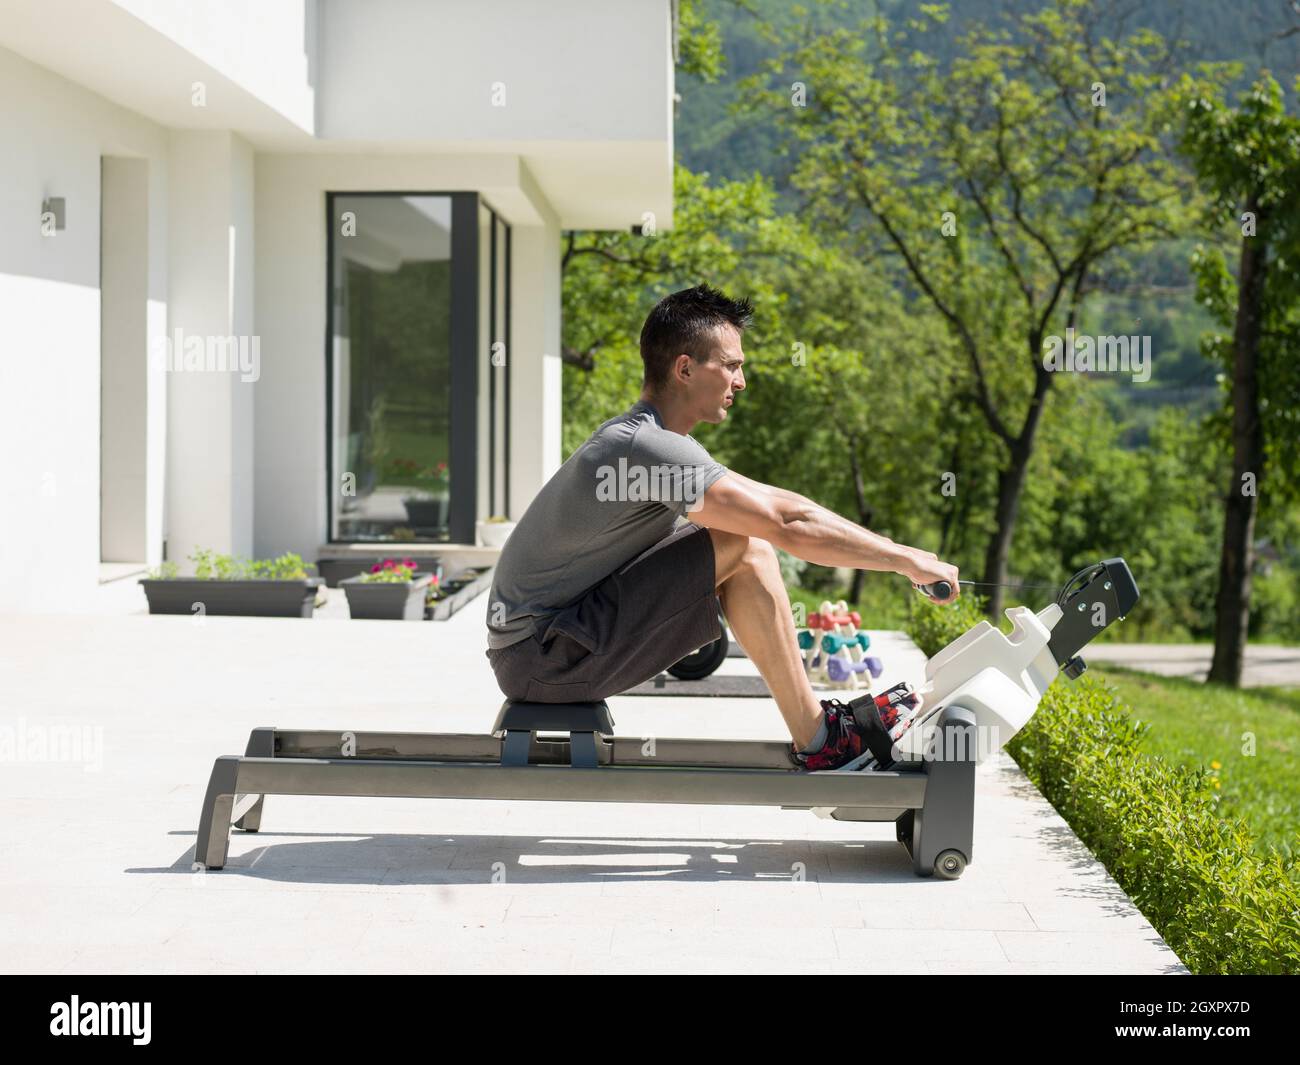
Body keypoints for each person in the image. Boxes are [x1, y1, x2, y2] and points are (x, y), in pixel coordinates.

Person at [484, 283, 959, 770]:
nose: (741, 381)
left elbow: (779, 502)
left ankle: (818, 732)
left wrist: (905, 555)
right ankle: (821, 738)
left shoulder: (648, 440)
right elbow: (785, 524)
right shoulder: (648, 448)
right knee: (744, 543)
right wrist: (907, 560)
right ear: (685, 369)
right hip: (541, 659)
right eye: (731, 365)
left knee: (742, 538)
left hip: (542, 648)